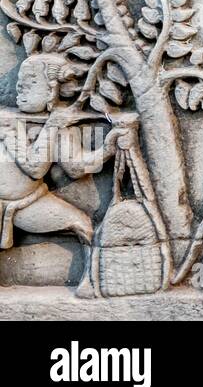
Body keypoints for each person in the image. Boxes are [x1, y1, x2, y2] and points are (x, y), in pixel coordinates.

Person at [0, 54, 127, 296]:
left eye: (29, 85)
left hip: (29, 201)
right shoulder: (6, 123)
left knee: (84, 225)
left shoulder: (55, 126)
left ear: (51, 91)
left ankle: (92, 283)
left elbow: (77, 168)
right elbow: (34, 167)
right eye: (19, 85)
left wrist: (109, 146)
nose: (20, 90)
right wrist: (52, 126)